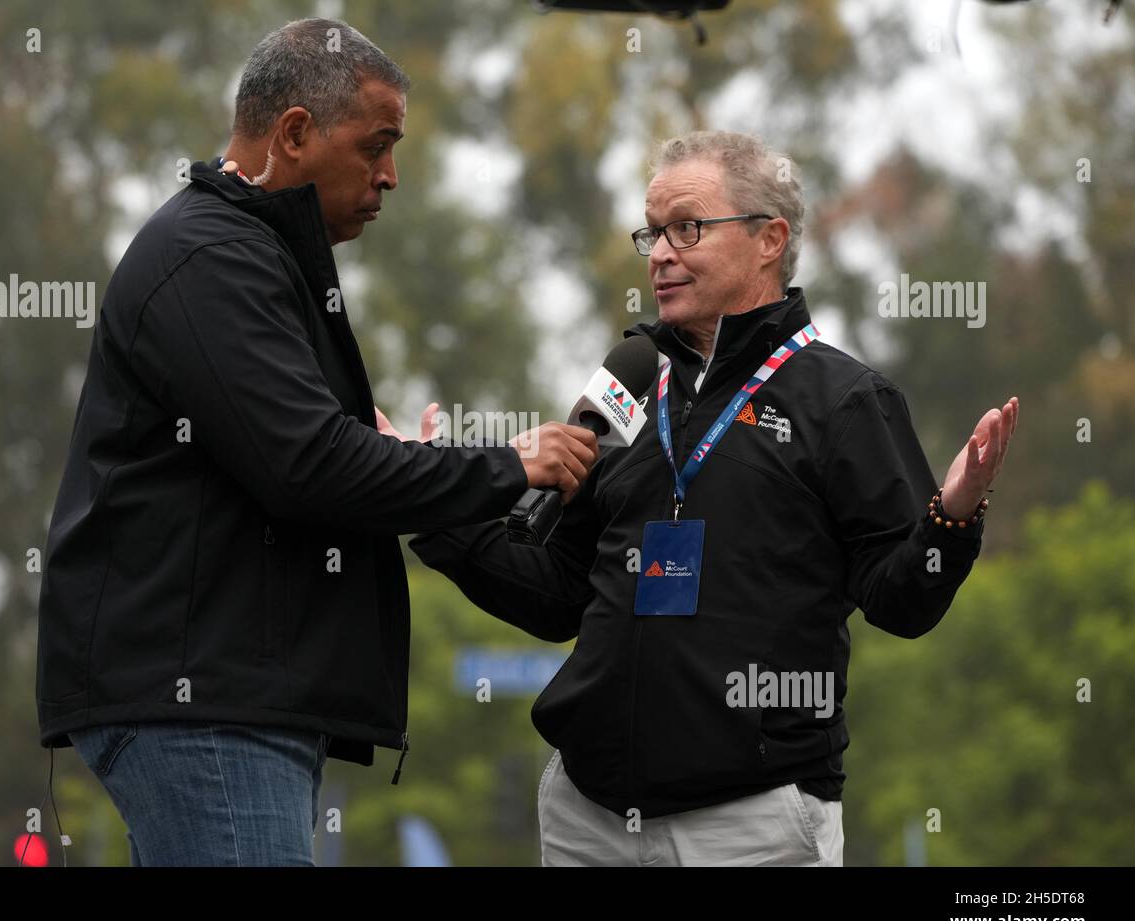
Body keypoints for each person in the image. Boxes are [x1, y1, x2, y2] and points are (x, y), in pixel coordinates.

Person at [35, 18, 597, 866]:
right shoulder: (212, 255)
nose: (391, 176)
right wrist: (507, 464)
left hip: (227, 702)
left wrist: (394, 462)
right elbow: (310, 466)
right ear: (295, 133)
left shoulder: (244, 252)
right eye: (378, 144)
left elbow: (314, 455)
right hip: (204, 708)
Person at [411, 130, 1018, 866]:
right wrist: (434, 506)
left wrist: (950, 519)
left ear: (770, 239)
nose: (660, 253)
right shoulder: (629, 387)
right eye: (653, 232)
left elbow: (904, 603)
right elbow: (557, 596)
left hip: (751, 826)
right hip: (587, 817)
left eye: (687, 228)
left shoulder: (846, 401)